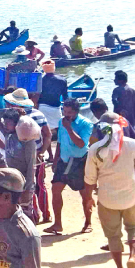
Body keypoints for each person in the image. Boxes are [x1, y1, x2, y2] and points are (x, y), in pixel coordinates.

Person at [85, 113, 135, 268]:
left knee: (113, 235)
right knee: (133, 227)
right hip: (130, 197)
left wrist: (88, 198)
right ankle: (132, 257)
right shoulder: (133, 144)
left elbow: (90, 178)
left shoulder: (95, 148)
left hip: (107, 199)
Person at [46, 98, 93, 235]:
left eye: (69, 112)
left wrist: (69, 128)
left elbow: (81, 144)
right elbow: (60, 142)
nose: (66, 115)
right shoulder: (61, 122)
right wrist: (55, 160)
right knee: (55, 190)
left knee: (84, 194)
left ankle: (88, 222)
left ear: (76, 112)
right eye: (64, 111)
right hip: (64, 160)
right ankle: (57, 224)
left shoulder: (86, 124)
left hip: (79, 162)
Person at [0, 109, 39, 219]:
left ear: (17, 124)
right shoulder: (8, 134)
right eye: (5, 122)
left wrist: (27, 189)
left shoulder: (27, 140)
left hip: (24, 182)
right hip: (12, 180)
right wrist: (10, 109)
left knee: (26, 214)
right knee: (13, 213)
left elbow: (31, 166)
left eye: (8, 123)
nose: (5, 125)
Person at [37, 61, 67, 140]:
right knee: (59, 130)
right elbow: (65, 97)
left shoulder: (40, 80)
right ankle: (60, 145)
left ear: (44, 69)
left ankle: (48, 148)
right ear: (54, 67)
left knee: (45, 133)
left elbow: (36, 95)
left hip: (42, 108)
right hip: (56, 108)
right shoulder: (62, 80)